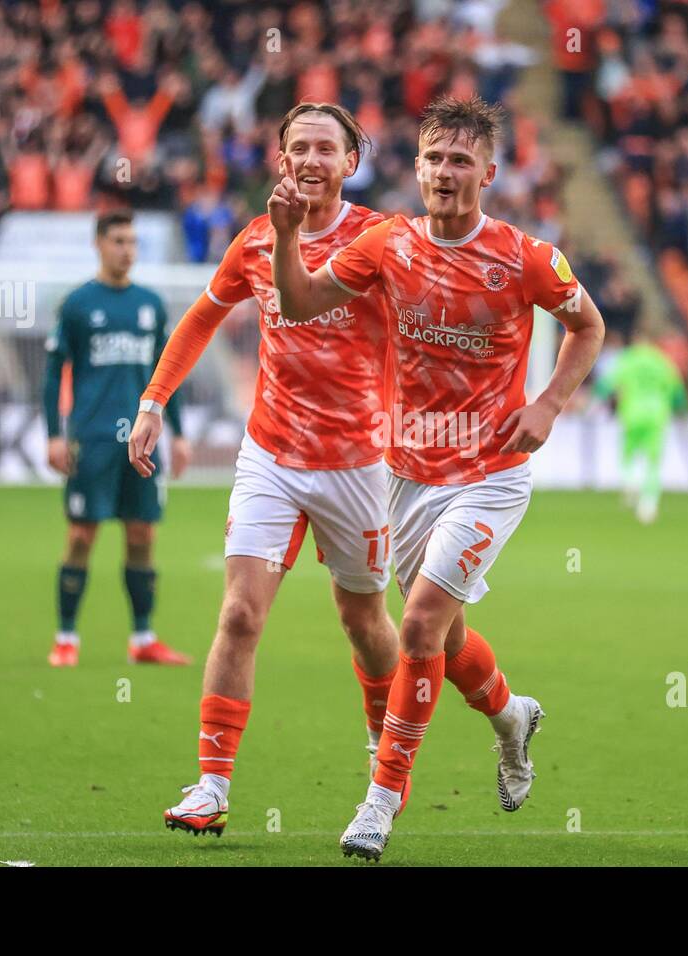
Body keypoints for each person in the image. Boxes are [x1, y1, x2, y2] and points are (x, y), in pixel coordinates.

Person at [267, 94, 606, 860]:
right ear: (415, 168)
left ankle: (381, 801)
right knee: (446, 644)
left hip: (491, 472)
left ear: (489, 172)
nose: (445, 173)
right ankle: (513, 719)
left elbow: (590, 326)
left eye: (460, 161)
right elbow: (298, 300)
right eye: (433, 159)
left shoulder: (527, 257)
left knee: (416, 624)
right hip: (408, 475)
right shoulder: (390, 245)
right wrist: (289, 237)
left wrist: (549, 403)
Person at [128, 104, 401, 838]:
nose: (311, 159)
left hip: (358, 464)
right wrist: (154, 399)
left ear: (352, 160)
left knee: (364, 620)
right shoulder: (254, 240)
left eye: (326, 148)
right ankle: (211, 785)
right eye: (298, 147)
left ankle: (386, 755)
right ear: (280, 159)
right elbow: (201, 319)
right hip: (272, 455)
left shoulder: (382, 240)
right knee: (240, 613)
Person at [42, 210, 192, 668]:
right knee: (82, 536)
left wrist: (180, 433)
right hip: (93, 438)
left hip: (142, 441)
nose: (127, 250)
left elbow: (168, 373)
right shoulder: (78, 305)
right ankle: (66, 638)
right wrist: (53, 434)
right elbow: (53, 375)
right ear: (99, 244)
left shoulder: (150, 304)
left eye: (132, 242)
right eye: (119, 241)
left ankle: (143, 638)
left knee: (142, 533)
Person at [594, 327, 687, 523]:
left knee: (628, 452)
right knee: (653, 460)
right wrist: (683, 411)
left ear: (635, 340)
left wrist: (596, 402)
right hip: (657, 414)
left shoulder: (627, 360)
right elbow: (678, 391)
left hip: (632, 412)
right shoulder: (662, 361)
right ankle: (649, 504)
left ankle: (630, 483)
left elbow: (605, 384)